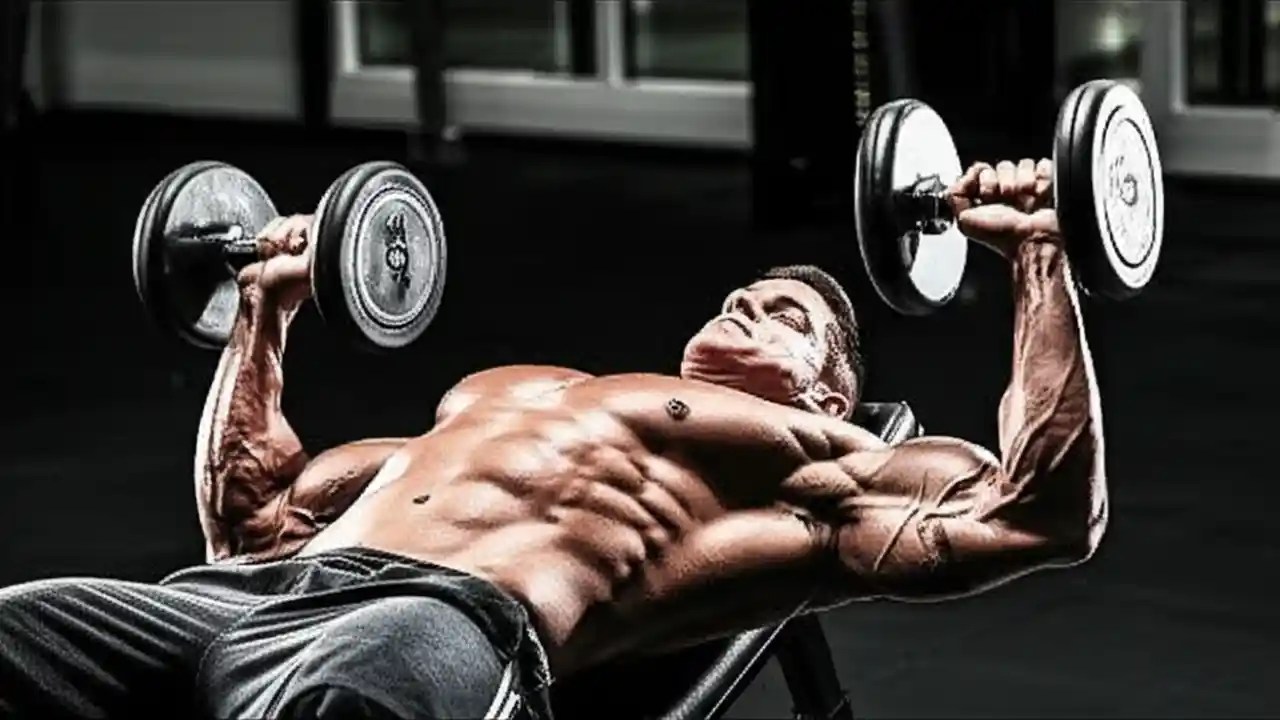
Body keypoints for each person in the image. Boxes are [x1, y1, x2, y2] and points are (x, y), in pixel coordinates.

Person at [0, 158, 1106, 719]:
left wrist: (1039, 252)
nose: (743, 306)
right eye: (739, 293)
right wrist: (263, 307)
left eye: (784, 318)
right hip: (237, 600)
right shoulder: (506, 397)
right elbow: (252, 520)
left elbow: (1037, 513)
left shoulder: (813, 470)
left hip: (426, 622)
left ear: (828, 393)